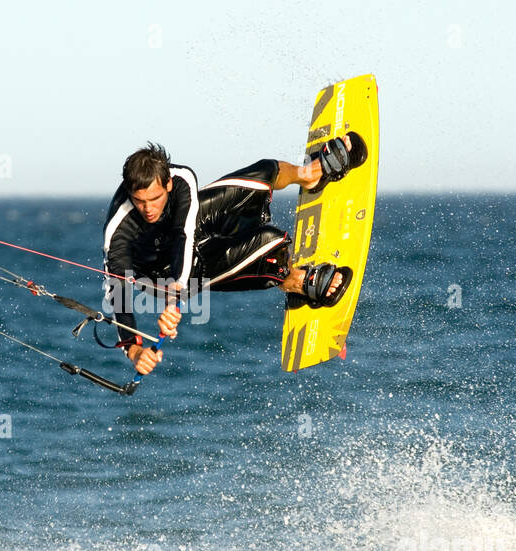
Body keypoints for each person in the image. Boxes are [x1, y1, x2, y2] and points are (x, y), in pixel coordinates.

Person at [101, 135, 365, 375]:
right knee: (268, 242)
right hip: (158, 274)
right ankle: (293, 280)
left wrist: (175, 294)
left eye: (155, 198)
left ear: (168, 184)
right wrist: (135, 351)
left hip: (182, 244)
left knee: (262, 173)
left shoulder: (182, 179)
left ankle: (310, 174)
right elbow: (118, 292)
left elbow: (184, 234)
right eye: (139, 201)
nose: (148, 209)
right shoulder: (119, 231)